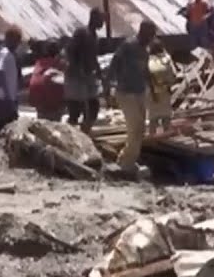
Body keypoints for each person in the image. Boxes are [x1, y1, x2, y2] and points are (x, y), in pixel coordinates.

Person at [108, 20, 156, 172]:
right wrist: (109, 85)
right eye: (150, 34)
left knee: (140, 129)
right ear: (142, 32)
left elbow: (145, 70)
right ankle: (127, 164)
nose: (152, 38)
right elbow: (114, 63)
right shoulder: (128, 45)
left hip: (139, 91)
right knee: (135, 127)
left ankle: (127, 159)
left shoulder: (145, 50)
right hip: (126, 92)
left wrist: (152, 88)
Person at [64, 26, 101, 133]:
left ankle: (83, 130)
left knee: (89, 108)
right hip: (77, 82)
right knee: (79, 111)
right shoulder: (73, 51)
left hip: (82, 81)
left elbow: (93, 60)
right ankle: (77, 132)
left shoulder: (88, 46)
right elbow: (74, 64)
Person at [0, 26, 22, 132]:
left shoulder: (12, 55)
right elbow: (0, 71)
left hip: (9, 98)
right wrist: (8, 95)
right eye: (16, 40)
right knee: (4, 127)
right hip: (4, 98)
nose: (17, 43)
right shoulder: (5, 53)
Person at [28, 40, 65, 121]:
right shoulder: (58, 63)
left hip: (37, 99)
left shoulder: (39, 63)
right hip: (51, 102)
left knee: (42, 122)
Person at [146, 39, 177, 134]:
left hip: (151, 93)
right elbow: (173, 76)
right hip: (165, 91)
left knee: (153, 118)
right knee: (166, 117)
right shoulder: (166, 60)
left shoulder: (146, 60)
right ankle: (167, 136)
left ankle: (152, 137)